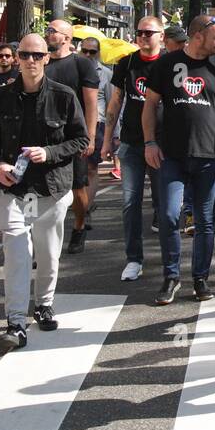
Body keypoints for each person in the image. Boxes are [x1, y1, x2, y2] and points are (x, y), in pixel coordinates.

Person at [0, 34, 88, 351]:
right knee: (17, 253)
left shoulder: (64, 95)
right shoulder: (3, 97)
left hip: (51, 188)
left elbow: (80, 141)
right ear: (17, 57)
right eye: (25, 55)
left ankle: (43, 304)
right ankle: (15, 321)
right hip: (14, 190)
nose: (30, 61)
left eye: (37, 55)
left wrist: (50, 153)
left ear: (47, 59)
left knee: (47, 253)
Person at [143, 14, 215, 305]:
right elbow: (150, 105)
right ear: (197, 36)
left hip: (208, 158)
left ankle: (200, 278)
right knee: (169, 214)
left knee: (205, 220)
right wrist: (150, 142)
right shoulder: (166, 64)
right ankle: (171, 276)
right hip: (172, 156)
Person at [103, 16, 165, 282]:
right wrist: (108, 139)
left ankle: (169, 258)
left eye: (148, 32)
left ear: (161, 36)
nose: (142, 36)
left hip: (162, 144)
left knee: (166, 205)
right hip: (130, 143)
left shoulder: (169, 64)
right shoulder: (126, 63)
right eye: (139, 32)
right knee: (130, 203)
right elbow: (116, 102)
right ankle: (133, 259)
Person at [42, 20, 99, 255]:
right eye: (47, 30)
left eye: (52, 31)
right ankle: (40, 238)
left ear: (66, 37)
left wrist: (90, 137)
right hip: (44, 136)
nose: (48, 34)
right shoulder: (40, 61)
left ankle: (79, 226)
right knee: (41, 188)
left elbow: (91, 103)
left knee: (77, 188)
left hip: (72, 136)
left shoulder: (82, 64)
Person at [77, 37, 113, 221]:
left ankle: (87, 208)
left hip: (97, 124)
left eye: (92, 51)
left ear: (98, 52)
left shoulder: (105, 74)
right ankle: (80, 204)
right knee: (76, 170)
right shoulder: (73, 68)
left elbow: (112, 104)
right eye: (85, 51)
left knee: (91, 168)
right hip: (75, 125)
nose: (88, 55)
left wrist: (112, 135)